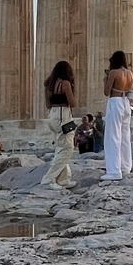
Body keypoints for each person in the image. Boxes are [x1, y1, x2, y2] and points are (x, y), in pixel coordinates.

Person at [42, 60, 78, 190]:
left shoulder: (49, 85)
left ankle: (63, 179)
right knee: (67, 148)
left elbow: (48, 105)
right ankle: (49, 178)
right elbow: (73, 103)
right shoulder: (65, 84)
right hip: (64, 116)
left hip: (52, 116)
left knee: (60, 148)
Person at [101, 50, 133, 181]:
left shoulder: (114, 73)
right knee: (125, 136)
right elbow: (132, 89)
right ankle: (126, 167)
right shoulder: (129, 73)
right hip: (126, 102)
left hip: (115, 101)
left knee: (112, 136)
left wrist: (105, 79)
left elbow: (106, 92)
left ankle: (114, 170)